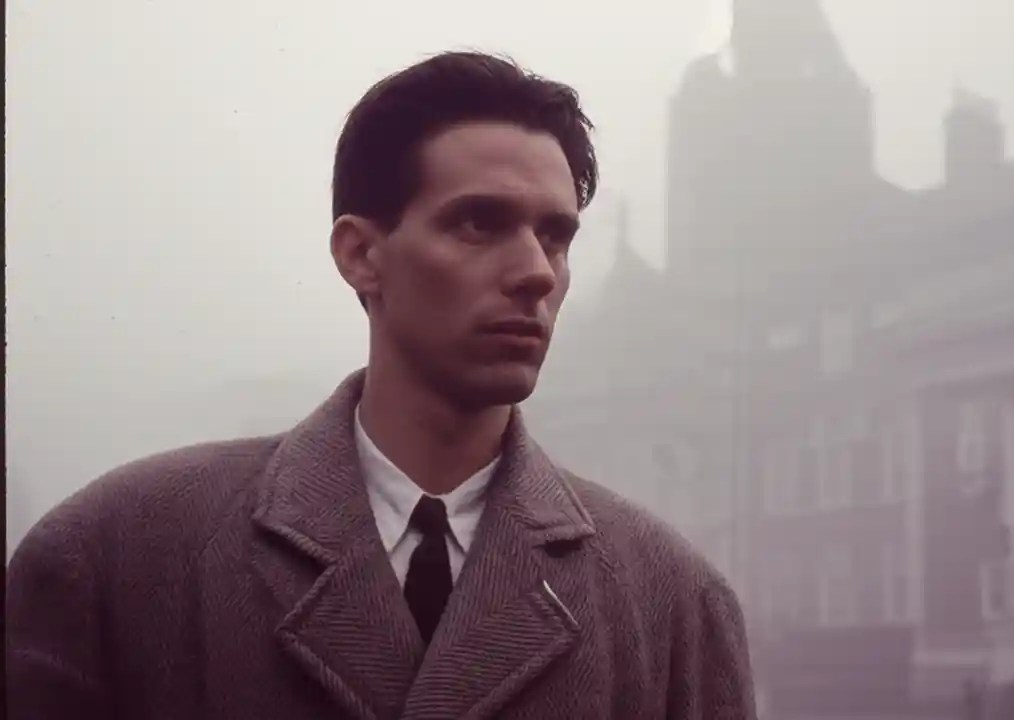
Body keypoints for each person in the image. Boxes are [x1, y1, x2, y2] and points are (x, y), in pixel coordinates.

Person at [7, 51, 757, 720]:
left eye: (555, 237)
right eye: (478, 223)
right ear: (360, 254)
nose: (536, 271)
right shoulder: (115, 559)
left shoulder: (673, 608)